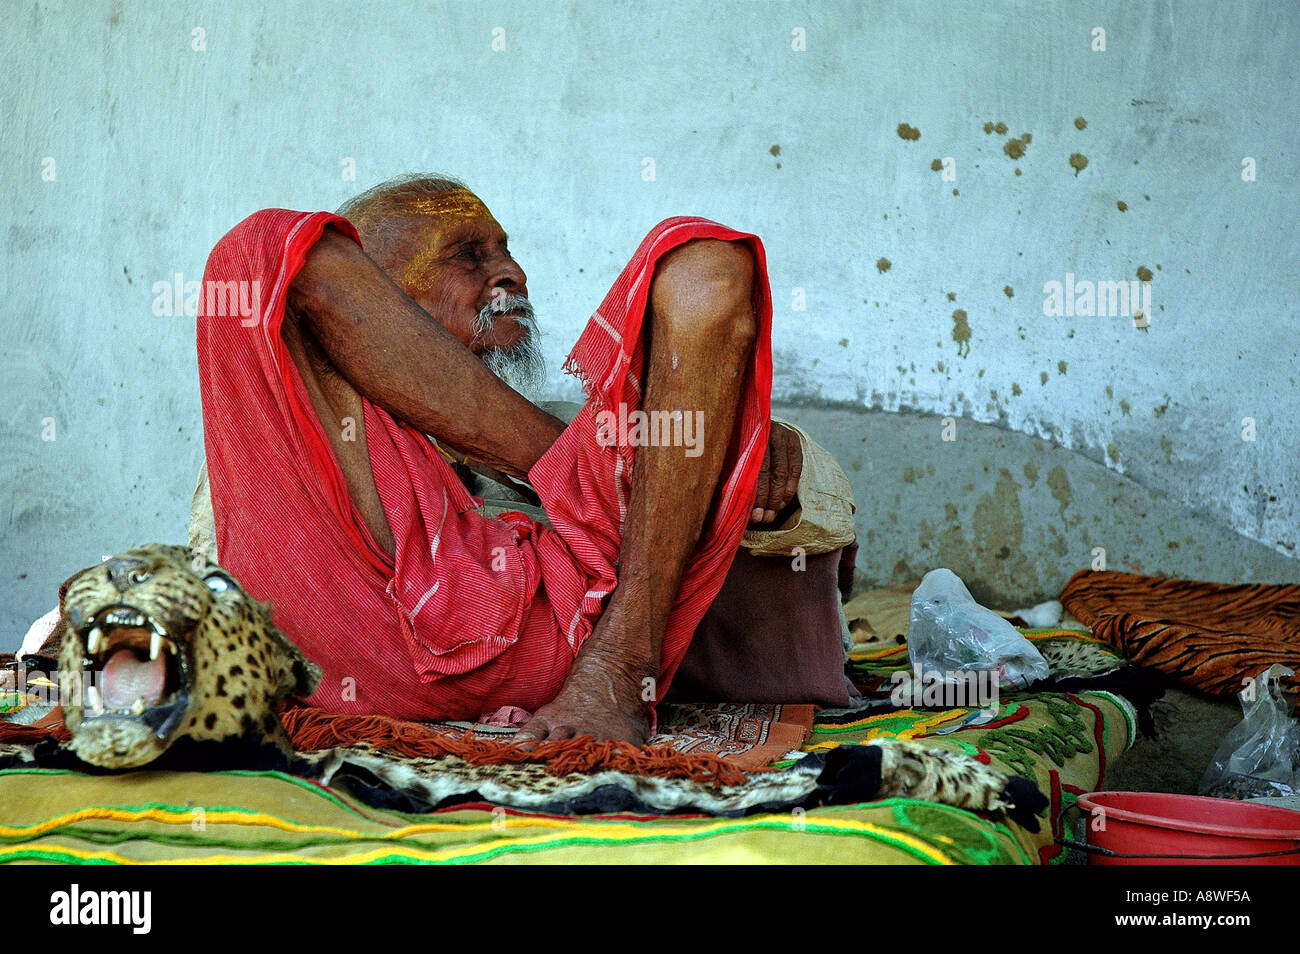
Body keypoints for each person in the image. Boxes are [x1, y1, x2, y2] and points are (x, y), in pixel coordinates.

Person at [194, 175, 854, 745]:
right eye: (467, 257)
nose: (512, 273)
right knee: (257, 248)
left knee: (705, 260)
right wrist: (571, 463)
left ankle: (622, 665)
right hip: (360, 643)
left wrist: (737, 435)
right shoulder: (294, 443)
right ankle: (559, 477)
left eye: (505, 249)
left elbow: (815, 512)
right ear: (371, 292)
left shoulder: (614, 443)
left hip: (581, 634)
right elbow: (218, 577)